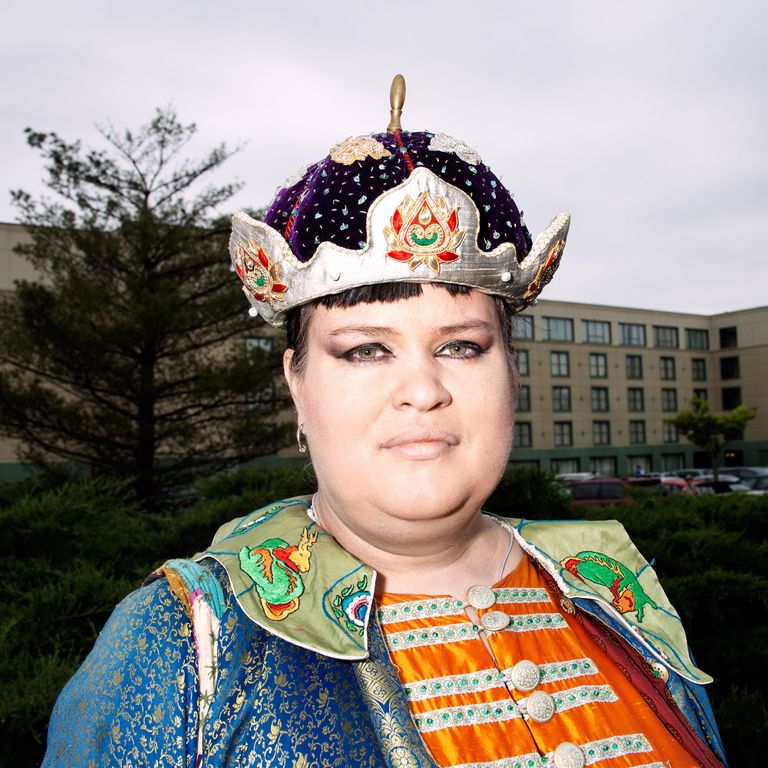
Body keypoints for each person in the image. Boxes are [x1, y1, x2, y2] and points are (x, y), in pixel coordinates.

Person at [42, 77, 727, 768]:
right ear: (296, 382)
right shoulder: (183, 642)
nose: (422, 391)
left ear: (512, 371)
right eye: (366, 349)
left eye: (462, 347)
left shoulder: (615, 591)